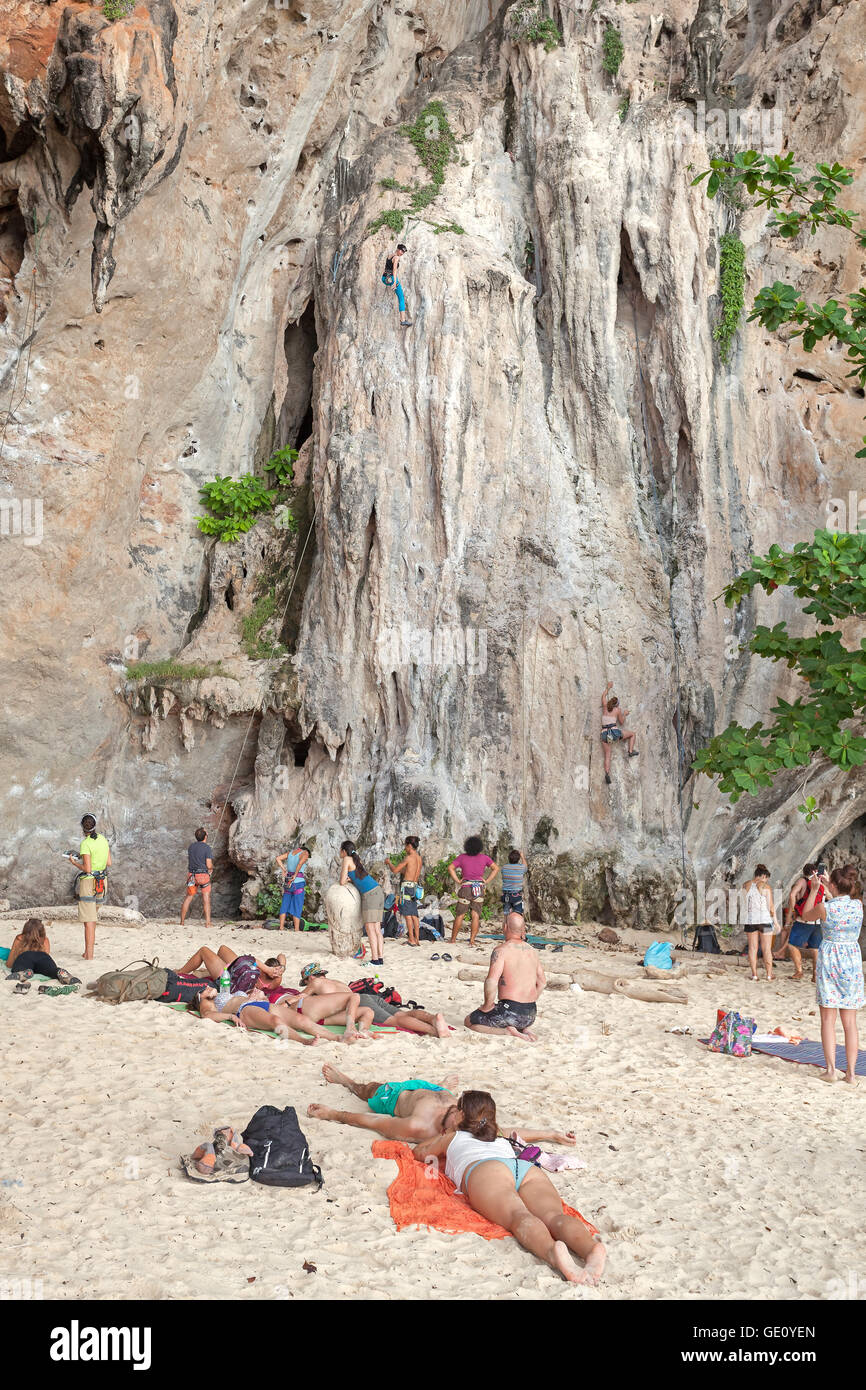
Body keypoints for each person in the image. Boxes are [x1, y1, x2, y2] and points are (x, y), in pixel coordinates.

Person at [412, 1091, 606, 1286]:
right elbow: (520, 1131)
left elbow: (419, 1152)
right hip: (524, 1168)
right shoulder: (498, 1133)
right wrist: (551, 1134)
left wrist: (441, 1137)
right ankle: (590, 1249)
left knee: (519, 1215)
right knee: (554, 1216)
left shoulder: (452, 1137)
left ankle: (552, 1252)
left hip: (487, 1170)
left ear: (462, 1114)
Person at [307, 1064, 580, 1147]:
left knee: (371, 1091)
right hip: (425, 1092)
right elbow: (506, 1130)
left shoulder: (423, 1126)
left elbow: (372, 1121)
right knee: (368, 1090)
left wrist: (333, 1113)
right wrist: (335, 1113)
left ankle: (348, 1081)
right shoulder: (464, 1119)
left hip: (403, 1098)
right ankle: (347, 1080)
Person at [798, 863, 864, 1085]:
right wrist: (830, 887)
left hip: (830, 961)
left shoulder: (826, 908)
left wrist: (816, 889)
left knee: (828, 1018)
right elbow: (842, 899)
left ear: (833, 885)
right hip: (852, 962)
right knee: (850, 1022)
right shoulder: (858, 906)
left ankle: (831, 1070)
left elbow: (806, 914)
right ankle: (852, 1074)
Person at [465, 913, 545, 1041]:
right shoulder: (532, 951)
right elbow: (542, 983)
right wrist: (530, 1000)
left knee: (470, 1021)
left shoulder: (501, 950)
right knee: (511, 1016)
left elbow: (491, 981)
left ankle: (507, 1031)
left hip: (509, 1012)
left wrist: (487, 1005)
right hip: (531, 1015)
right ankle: (523, 1028)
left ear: (505, 927)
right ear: (523, 930)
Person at [295, 962, 376, 1041]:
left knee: (354, 997)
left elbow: (299, 998)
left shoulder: (315, 982)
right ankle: (363, 1030)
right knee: (368, 1011)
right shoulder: (340, 983)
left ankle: (350, 1027)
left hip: (330, 1016)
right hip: (349, 1013)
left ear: (310, 978)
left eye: (306, 983)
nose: (307, 985)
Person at [68, 813, 111, 960]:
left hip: (89, 883)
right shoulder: (103, 840)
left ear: (82, 828)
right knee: (93, 919)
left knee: (89, 921)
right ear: (94, 826)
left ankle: (89, 955)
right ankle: (87, 952)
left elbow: (87, 868)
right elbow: (108, 862)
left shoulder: (85, 844)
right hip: (102, 882)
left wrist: (74, 863)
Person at [339, 842, 385, 965]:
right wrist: (351, 879)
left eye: (340, 850)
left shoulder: (347, 859)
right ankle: (380, 958)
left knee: (370, 929)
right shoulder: (355, 860)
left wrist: (348, 879)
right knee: (377, 929)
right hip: (378, 891)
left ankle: (375, 960)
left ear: (344, 851)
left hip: (370, 895)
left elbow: (342, 881)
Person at [176, 944, 286, 995]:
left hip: (228, 976)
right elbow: (281, 955)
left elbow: (252, 960)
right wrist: (282, 967)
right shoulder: (275, 980)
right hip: (237, 970)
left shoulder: (260, 969)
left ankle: (181, 971)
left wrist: (267, 969)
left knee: (203, 951)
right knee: (222, 949)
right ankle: (208, 970)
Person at [448, 835, 499, 946]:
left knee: (460, 914)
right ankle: (472, 940)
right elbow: (496, 868)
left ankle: (453, 940)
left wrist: (457, 880)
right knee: (475, 915)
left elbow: (450, 868)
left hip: (466, 888)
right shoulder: (484, 858)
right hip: (479, 889)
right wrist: (486, 881)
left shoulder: (462, 857)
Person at [779, 862, 823, 981]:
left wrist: (793, 910)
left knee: (792, 945)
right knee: (815, 948)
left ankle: (799, 971)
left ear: (804, 872)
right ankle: (815, 975)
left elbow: (792, 895)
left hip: (803, 919)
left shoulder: (803, 881)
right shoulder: (820, 882)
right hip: (817, 921)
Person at [6, 917, 80, 988]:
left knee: (21, 968)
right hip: (43, 957)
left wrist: (13, 964)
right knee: (50, 970)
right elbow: (47, 955)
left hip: (25, 956)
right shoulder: (45, 940)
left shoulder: (19, 938)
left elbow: (9, 963)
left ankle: (24, 972)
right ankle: (59, 972)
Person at [741, 864, 780, 981]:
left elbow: (744, 903)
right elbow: (771, 907)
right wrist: (776, 923)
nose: (766, 880)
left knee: (752, 948)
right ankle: (769, 975)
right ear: (763, 875)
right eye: (766, 878)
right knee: (767, 948)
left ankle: (754, 975)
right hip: (765, 921)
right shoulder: (766, 887)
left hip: (750, 920)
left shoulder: (745, 885)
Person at [601, 681, 638, 784]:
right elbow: (621, 722)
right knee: (632, 734)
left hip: (604, 734)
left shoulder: (604, 706)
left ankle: (607, 774)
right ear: (617, 705)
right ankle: (630, 751)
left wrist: (608, 688)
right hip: (614, 733)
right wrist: (625, 714)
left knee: (608, 754)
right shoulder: (617, 710)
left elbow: (603, 696)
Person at [390, 836, 423, 946]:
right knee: (414, 914)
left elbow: (395, 870)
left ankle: (411, 939)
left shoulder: (408, 858)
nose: (405, 848)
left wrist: (388, 862)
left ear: (409, 846)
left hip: (407, 888)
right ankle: (417, 939)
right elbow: (409, 871)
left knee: (407, 914)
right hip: (415, 887)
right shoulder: (419, 858)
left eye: (405, 846)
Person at [180, 828, 213, 929]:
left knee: (188, 897)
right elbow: (208, 865)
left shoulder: (191, 847)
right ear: (205, 836)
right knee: (206, 899)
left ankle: (182, 922)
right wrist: (211, 869)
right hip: (203, 876)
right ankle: (208, 923)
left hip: (192, 876)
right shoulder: (207, 848)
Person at [275, 843, 311, 931]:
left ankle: (281, 927)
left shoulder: (290, 853)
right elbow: (300, 863)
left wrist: (284, 869)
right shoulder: (305, 853)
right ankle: (296, 929)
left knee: (285, 904)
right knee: (297, 905)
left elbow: (278, 858)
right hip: (297, 882)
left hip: (288, 882)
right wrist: (295, 874)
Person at [381, 243, 412, 327]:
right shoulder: (396, 258)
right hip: (391, 279)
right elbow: (394, 270)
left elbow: (386, 267)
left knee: (400, 296)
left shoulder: (389, 255)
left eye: (403, 252)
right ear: (398, 249)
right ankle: (403, 320)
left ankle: (403, 320)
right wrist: (394, 282)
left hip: (384, 278)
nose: (402, 253)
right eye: (401, 251)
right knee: (401, 298)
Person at [500, 848, 528, 920]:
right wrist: (522, 856)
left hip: (505, 896)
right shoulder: (521, 868)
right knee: (518, 916)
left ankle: (505, 930)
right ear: (518, 859)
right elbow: (526, 867)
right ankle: (517, 930)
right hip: (516, 895)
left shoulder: (504, 867)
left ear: (509, 858)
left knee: (506, 917)